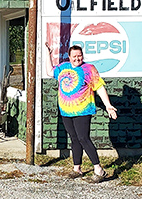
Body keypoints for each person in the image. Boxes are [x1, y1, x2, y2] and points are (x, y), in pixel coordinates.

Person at [46, 42, 118, 183]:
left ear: (82, 56)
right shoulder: (63, 67)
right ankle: (77, 168)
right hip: (66, 111)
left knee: (83, 138)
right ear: (69, 57)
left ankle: (99, 170)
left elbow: (99, 87)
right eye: (74, 56)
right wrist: (48, 54)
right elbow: (50, 72)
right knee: (74, 138)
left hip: (83, 111)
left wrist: (108, 105)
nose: (77, 58)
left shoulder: (89, 69)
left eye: (79, 56)